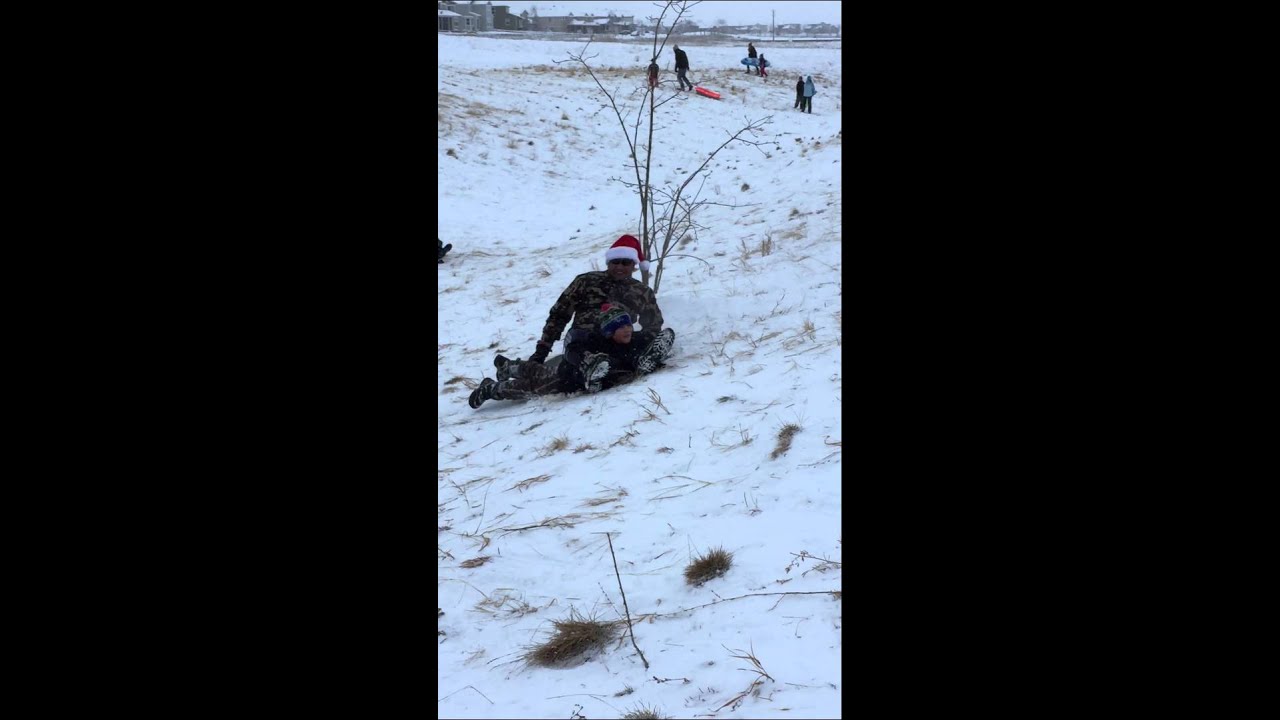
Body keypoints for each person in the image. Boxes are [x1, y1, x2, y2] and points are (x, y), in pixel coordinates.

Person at [469, 303, 675, 408]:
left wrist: (656, 350)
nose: (627, 329)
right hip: (565, 380)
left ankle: (508, 367)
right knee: (529, 385)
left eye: (628, 324)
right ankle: (492, 389)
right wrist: (586, 361)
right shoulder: (594, 342)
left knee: (538, 371)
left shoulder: (632, 339)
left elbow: (648, 339)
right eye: (620, 327)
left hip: (574, 376)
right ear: (609, 332)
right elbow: (573, 347)